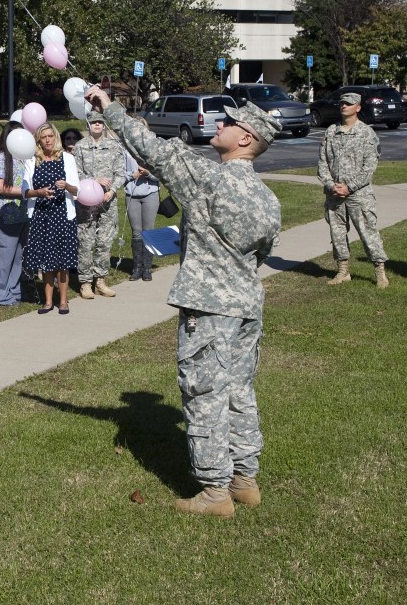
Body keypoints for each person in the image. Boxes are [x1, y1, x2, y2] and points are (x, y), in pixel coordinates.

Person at [87, 85, 281, 518]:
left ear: (246, 139)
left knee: (205, 393)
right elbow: (263, 251)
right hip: (247, 304)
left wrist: (111, 109)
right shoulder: (268, 198)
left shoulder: (210, 178)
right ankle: (244, 478)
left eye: (231, 123)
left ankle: (216, 492)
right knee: (238, 389)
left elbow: (153, 151)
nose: (221, 124)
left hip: (210, 308)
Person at [317, 92, 389, 289]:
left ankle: (380, 272)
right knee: (337, 233)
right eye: (342, 103)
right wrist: (332, 185)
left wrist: (350, 187)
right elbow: (322, 163)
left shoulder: (366, 133)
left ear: (358, 108)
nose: (344, 106)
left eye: (349, 104)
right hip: (334, 194)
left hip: (359, 195)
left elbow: (369, 167)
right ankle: (343, 271)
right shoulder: (331, 132)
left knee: (368, 233)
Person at [22, 123, 79, 315]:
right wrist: (39, 192)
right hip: (42, 215)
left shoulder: (67, 158)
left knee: (63, 260)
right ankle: (47, 302)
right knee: (46, 260)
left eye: (50, 136)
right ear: (38, 140)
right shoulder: (32, 160)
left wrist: (67, 186)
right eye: (43, 137)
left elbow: (76, 189)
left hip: (63, 214)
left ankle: (63, 301)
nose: (47, 140)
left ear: (55, 137)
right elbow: (25, 192)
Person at [73, 111, 126, 299]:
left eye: (100, 122)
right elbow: (75, 174)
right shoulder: (80, 147)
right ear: (88, 125)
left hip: (107, 202)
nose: (97, 125)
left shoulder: (113, 147)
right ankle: (85, 282)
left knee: (105, 242)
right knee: (86, 242)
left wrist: (112, 191)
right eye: (93, 122)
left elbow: (121, 173)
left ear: (104, 126)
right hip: (86, 202)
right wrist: (93, 180)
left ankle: (100, 280)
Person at [0, 121, 28, 306]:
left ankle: (14, 290)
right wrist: (26, 191)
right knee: (4, 257)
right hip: (6, 215)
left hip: (24, 213)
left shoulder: (25, 157)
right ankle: (1, 294)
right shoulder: (0, 158)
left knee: (19, 256)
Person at [123, 149, 160, 282]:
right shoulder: (125, 152)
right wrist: (133, 175)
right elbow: (119, 174)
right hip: (132, 196)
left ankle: (147, 269)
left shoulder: (153, 150)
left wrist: (148, 174)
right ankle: (137, 268)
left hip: (151, 195)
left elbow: (161, 175)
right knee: (136, 233)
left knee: (148, 232)